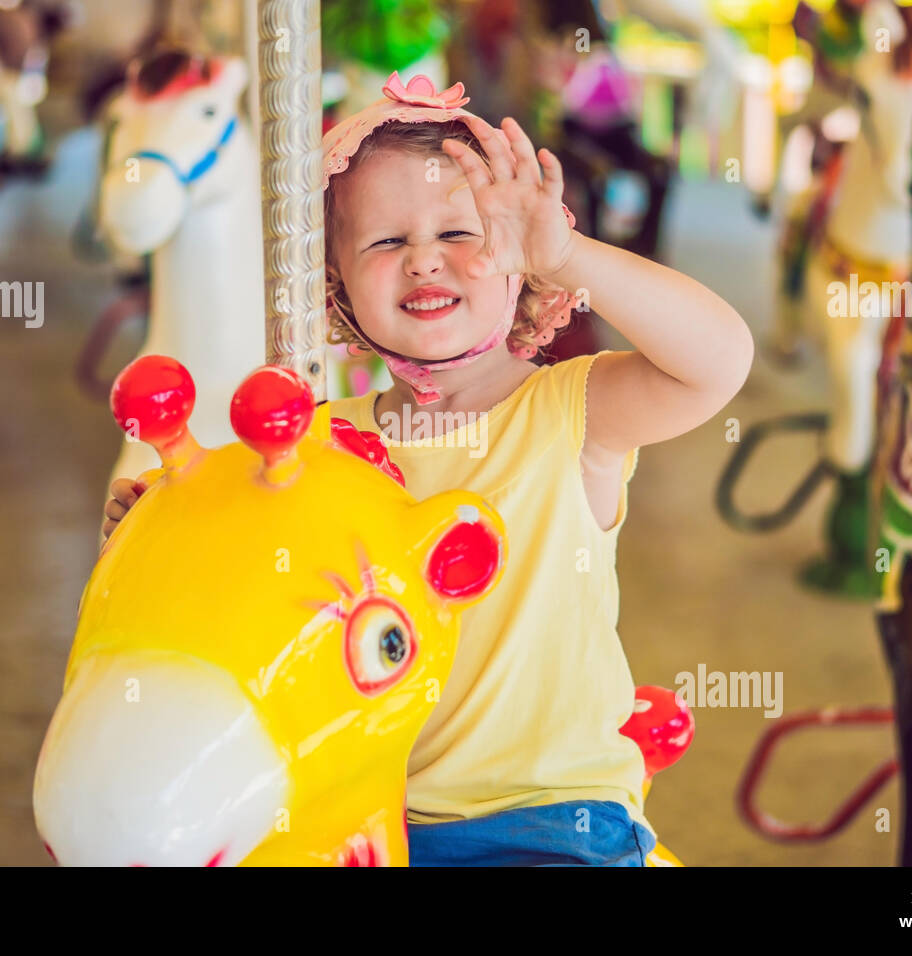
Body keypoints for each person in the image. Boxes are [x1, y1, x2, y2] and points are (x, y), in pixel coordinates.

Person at [102, 73, 752, 866]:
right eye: (384, 241)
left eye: (461, 235)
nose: (424, 262)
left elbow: (717, 363)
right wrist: (159, 533)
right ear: (334, 281)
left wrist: (569, 254)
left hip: (546, 816)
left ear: (521, 261)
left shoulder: (572, 414)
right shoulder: (317, 446)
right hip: (363, 809)